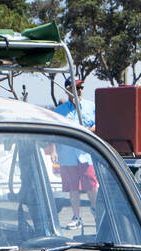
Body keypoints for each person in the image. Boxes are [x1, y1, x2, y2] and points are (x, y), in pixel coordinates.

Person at [52, 78, 98, 229]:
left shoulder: (91, 106)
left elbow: (98, 125)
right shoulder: (58, 111)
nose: (79, 91)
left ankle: (95, 210)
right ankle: (76, 216)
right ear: (67, 89)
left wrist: (86, 130)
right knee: (73, 188)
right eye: (76, 88)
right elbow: (54, 133)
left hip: (86, 153)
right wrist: (53, 150)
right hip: (67, 154)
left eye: (81, 88)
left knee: (91, 185)